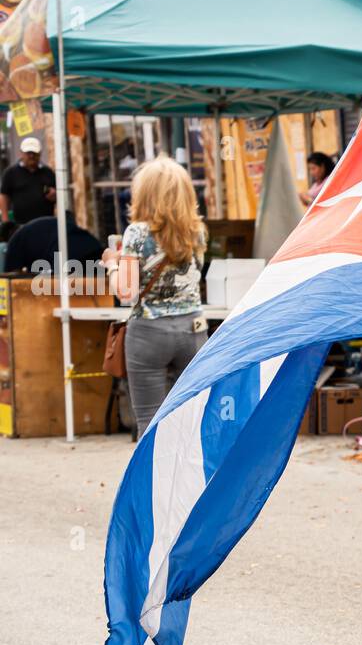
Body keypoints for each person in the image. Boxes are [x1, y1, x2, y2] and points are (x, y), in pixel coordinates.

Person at [101, 156, 208, 439]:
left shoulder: (137, 232)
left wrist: (113, 264)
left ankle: (155, 482)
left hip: (149, 332)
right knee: (191, 420)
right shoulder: (196, 230)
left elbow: (126, 291)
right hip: (194, 329)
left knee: (150, 423)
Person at [3, 210, 103, 275]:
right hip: (93, 248)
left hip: (68, 260)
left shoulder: (14, 241)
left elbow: (10, 278)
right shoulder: (36, 226)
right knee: (102, 293)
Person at [1, 137, 57, 240]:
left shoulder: (48, 172)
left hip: (46, 225)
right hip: (20, 226)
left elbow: (57, 195)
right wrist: (6, 221)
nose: (31, 156)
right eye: (28, 153)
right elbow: (4, 196)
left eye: (34, 153)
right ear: (21, 153)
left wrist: (54, 195)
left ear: (40, 153)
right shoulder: (11, 173)